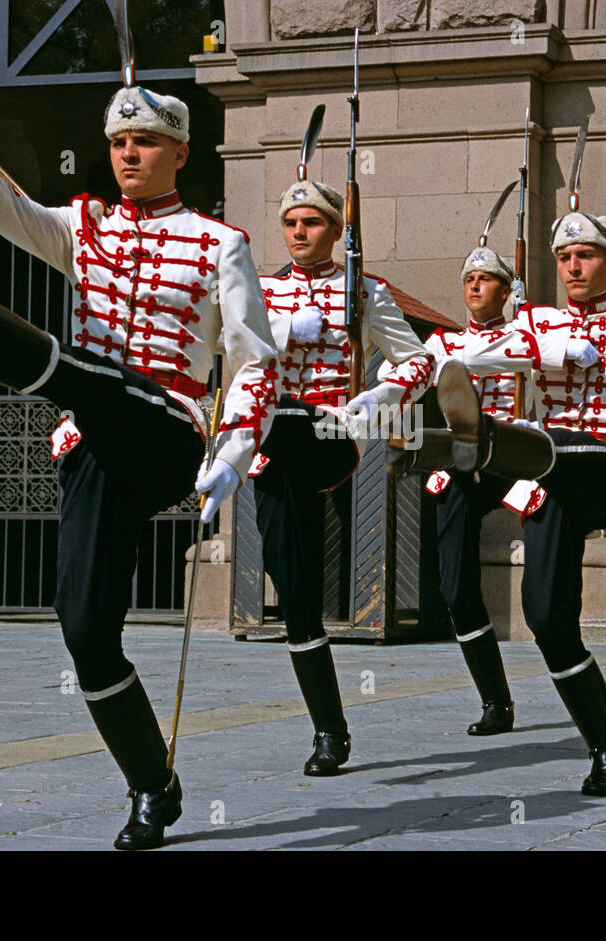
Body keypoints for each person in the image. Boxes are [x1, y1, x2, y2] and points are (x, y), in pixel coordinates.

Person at [0, 76, 279, 850]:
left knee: (95, 381)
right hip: (95, 439)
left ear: (181, 152)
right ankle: (153, 786)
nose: (130, 152)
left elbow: (254, 358)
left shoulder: (218, 243)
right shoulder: (84, 226)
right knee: (86, 630)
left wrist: (235, 449)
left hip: (167, 429)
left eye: (148, 141)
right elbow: (13, 212)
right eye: (121, 141)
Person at [392, 209, 606, 795]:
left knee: (553, 445)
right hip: (550, 474)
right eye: (564, 258)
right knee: (546, 619)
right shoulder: (538, 322)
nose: (573, 266)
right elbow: (465, 356)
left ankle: (475, 443)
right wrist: (383, 394)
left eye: (586, 255)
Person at [251, 171, 432, 774]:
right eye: (291, 224)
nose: (299, 232)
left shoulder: (366, 292)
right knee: (294, 591)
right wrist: (283, 329)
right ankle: (330, 730)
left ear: (335, 230)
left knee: (290, 424)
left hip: (331, 433)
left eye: (313, 223)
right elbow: (231, 347)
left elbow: (420, 361)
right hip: (276, 445)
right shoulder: (260, 290)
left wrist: (376, 400)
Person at [393, 246, 526, 735]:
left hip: (515, 459)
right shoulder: (442, 343)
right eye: (469, 278)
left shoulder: (524, 337)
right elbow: (405, 374)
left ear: (507, 292)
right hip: (461, 461)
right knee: (454, 588)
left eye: (487, 279)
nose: (474, 286)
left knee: (546, 597)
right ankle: (496, 700)